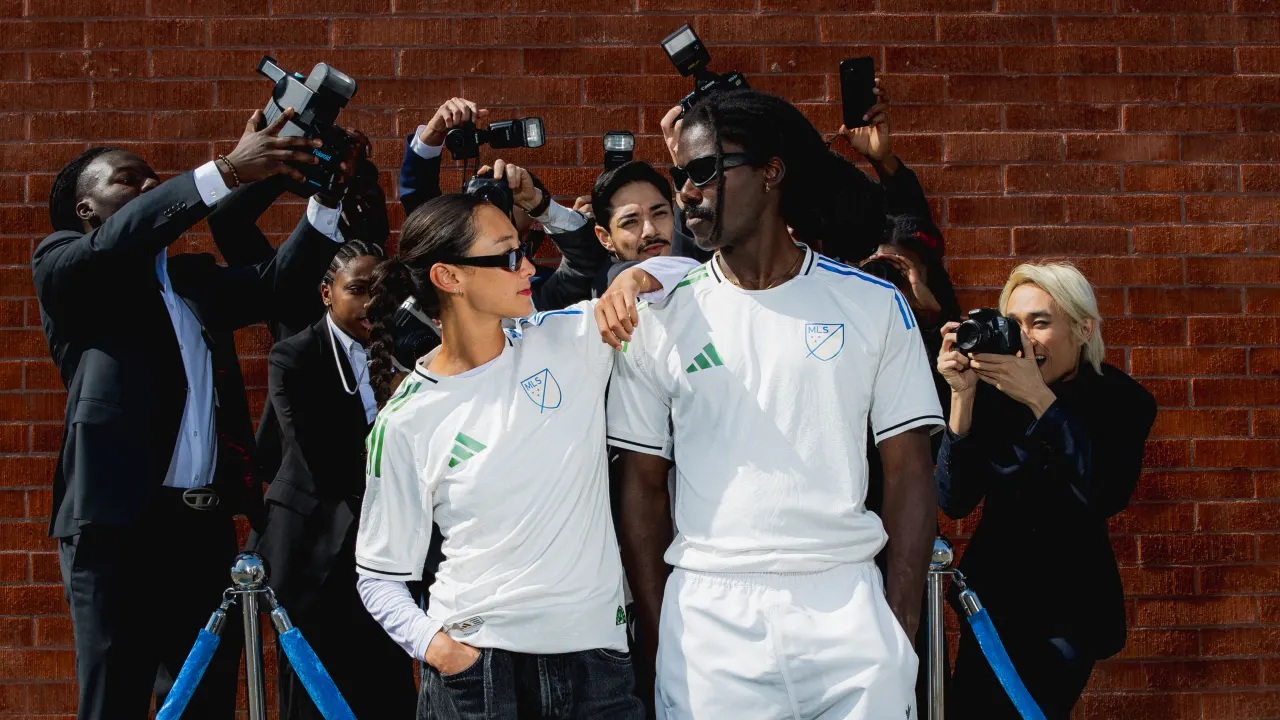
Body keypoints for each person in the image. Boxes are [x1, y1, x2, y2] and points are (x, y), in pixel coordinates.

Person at [607, 88, 941, 719]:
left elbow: (909, 473)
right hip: (709, 620)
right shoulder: (657, 318)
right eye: (681, 177)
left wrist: (898, 633)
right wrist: (657, 635)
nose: (687, 193)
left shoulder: (872, 304)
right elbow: (642, 489)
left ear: (770, 172)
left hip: (847, 605)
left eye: (705, 170)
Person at [32, 109, 344, 720]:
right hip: (116, 525)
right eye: (128, 179)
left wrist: (327, 199)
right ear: (85, 208)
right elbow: (116, 243)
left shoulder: (191, 283)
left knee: (203, 697)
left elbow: (281, 284)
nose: (150, 184)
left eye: (153, 178)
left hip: (200, 526)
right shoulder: (66, 266)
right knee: (115, 696)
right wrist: (226, 170)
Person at [352, 194, 694, 719]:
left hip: (598, 666)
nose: (530, 267)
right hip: (479, 676)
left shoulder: (570, 339)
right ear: (449, 277)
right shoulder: (405, 419)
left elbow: (692, 272)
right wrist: (440, 651)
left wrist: (632, 278)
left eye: (524, 251)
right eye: (509, 255)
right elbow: (378, 577)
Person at [935, 262, 1156, 720]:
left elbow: (1105, 492)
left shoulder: (1121, 399)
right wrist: (962, 397)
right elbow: (954, 500)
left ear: (1082, 328)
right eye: (1015, 324)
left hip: (1068, 611)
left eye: (1040, 322)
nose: (1027, 338)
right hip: (991, 610)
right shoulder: (994, 395)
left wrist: (1040, 400)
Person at [254, 239, 417, 720]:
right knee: (313, 690)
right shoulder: (294, 356)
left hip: (384, 549)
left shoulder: (413, 352)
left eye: (380, 292)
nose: (370, 304)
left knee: (386, 681)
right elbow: (316, 454)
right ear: (327, 292)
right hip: (312, 544)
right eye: (357, 289)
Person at [400, 97, 608, 311]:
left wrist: (541, 206)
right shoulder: (447, 271)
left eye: (510, 196)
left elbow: (585, 262)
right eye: (483, 195)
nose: (491, 206)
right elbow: (423, 217)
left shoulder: (537, 286)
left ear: (535, 222)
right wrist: (432, 136)